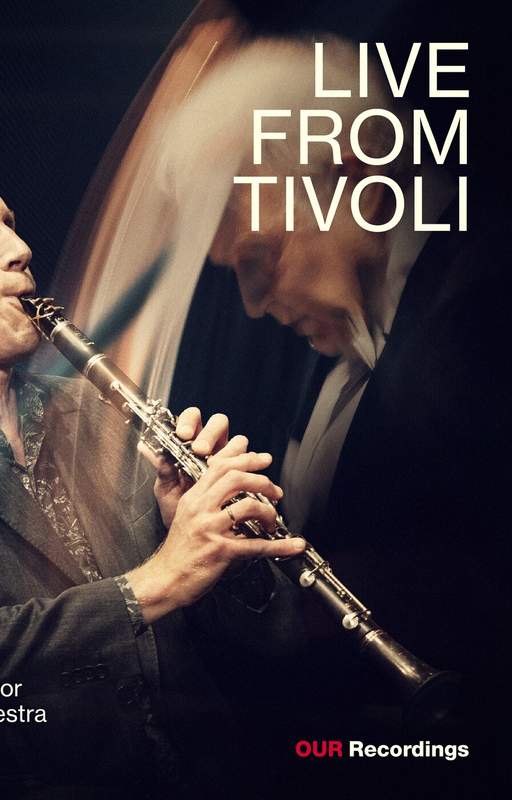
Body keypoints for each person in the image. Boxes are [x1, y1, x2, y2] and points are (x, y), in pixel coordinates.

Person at [0, 150, 305, 794]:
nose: (19, 249)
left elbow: (271, 645)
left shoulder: (104, 416)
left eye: (9, 226)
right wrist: (155, 583)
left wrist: (226, 556)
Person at [164, 35, 508, 766]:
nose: (252, 305)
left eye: (261, 258)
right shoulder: (346, 340)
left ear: (359, 178)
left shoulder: (485, 313)